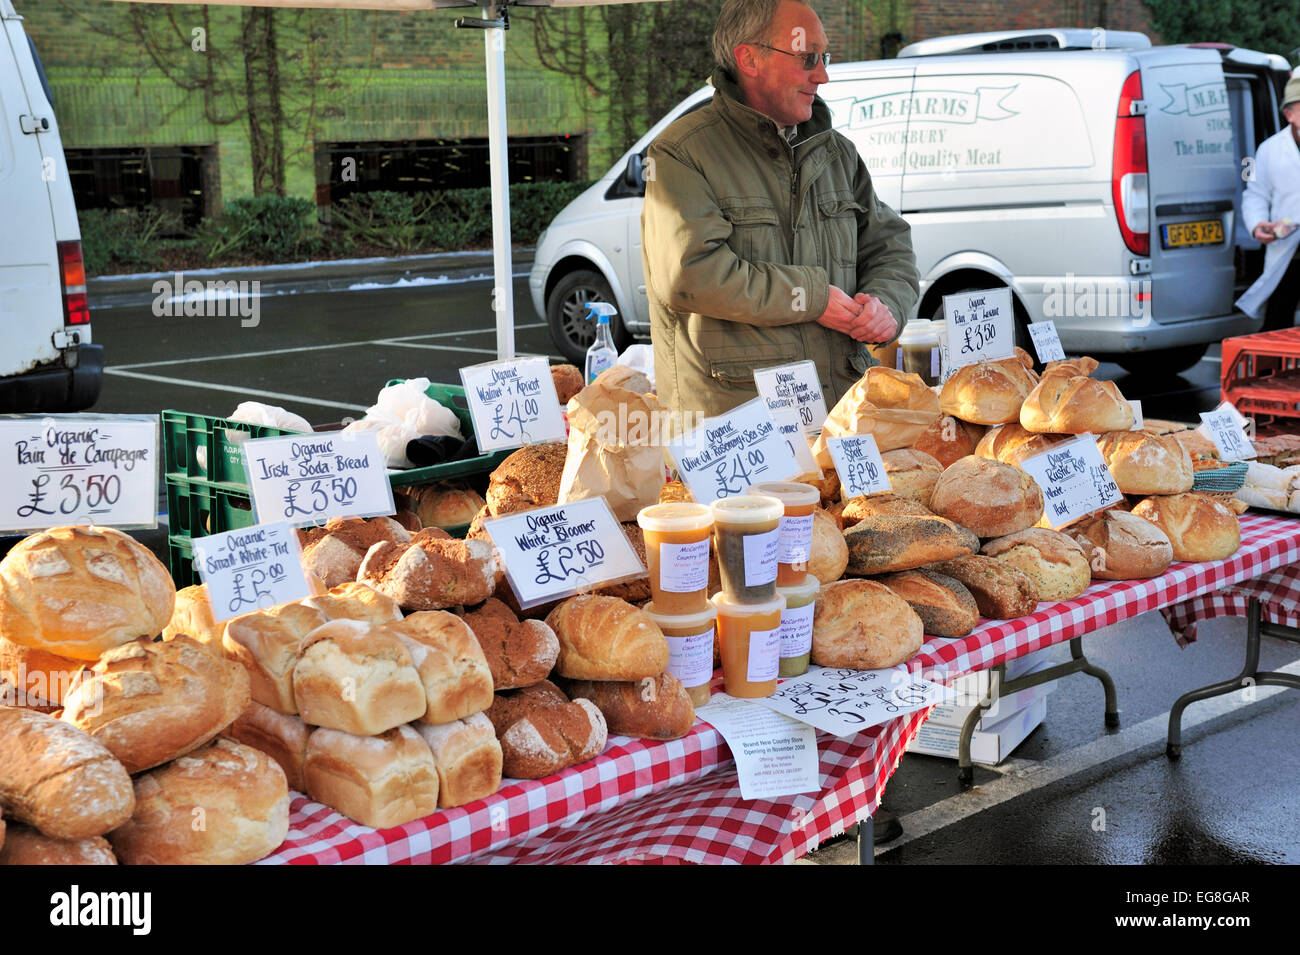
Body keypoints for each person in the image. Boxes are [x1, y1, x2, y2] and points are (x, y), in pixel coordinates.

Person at [641, 0, 920, 419]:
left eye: (824, 58)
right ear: (748, 58)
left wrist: (886, 304)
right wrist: (810, 297)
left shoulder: (837, 154)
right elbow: (689, 274)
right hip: (737, 434)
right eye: (807, 58)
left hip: (839, 421)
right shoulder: (682, 153)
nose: (822, 75)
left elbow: (889, 245)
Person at [1242, 75, 1300, 330]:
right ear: (1290, 114)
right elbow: (1255, 193)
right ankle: (1272, 372)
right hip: (1288, 250)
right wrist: (1257, 225)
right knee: (1277, 322)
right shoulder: (1268, 150)